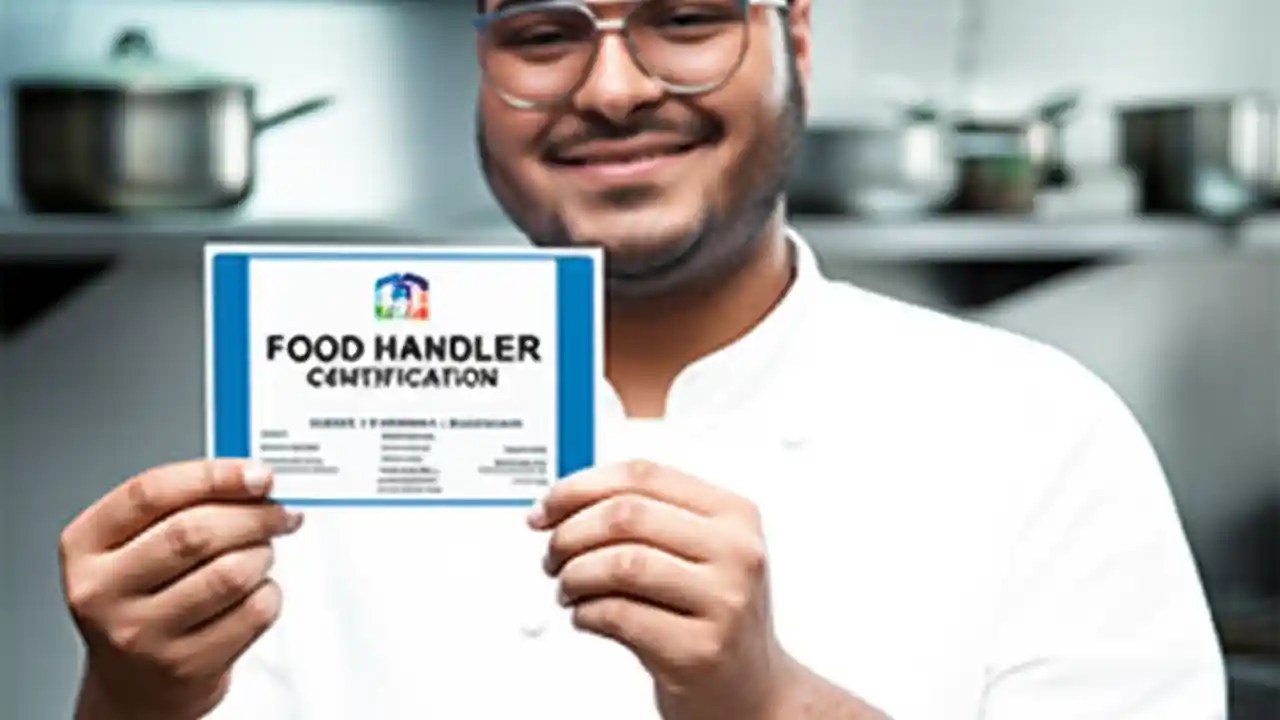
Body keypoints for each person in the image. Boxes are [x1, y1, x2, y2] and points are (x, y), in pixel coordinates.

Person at [59, 1, 1227, 718]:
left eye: (686, 18)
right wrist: (128, 700)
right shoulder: (321, 437)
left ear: (794, 40)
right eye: (541, 34)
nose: (611, 89)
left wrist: (764, 703)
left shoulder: (1038, 430)